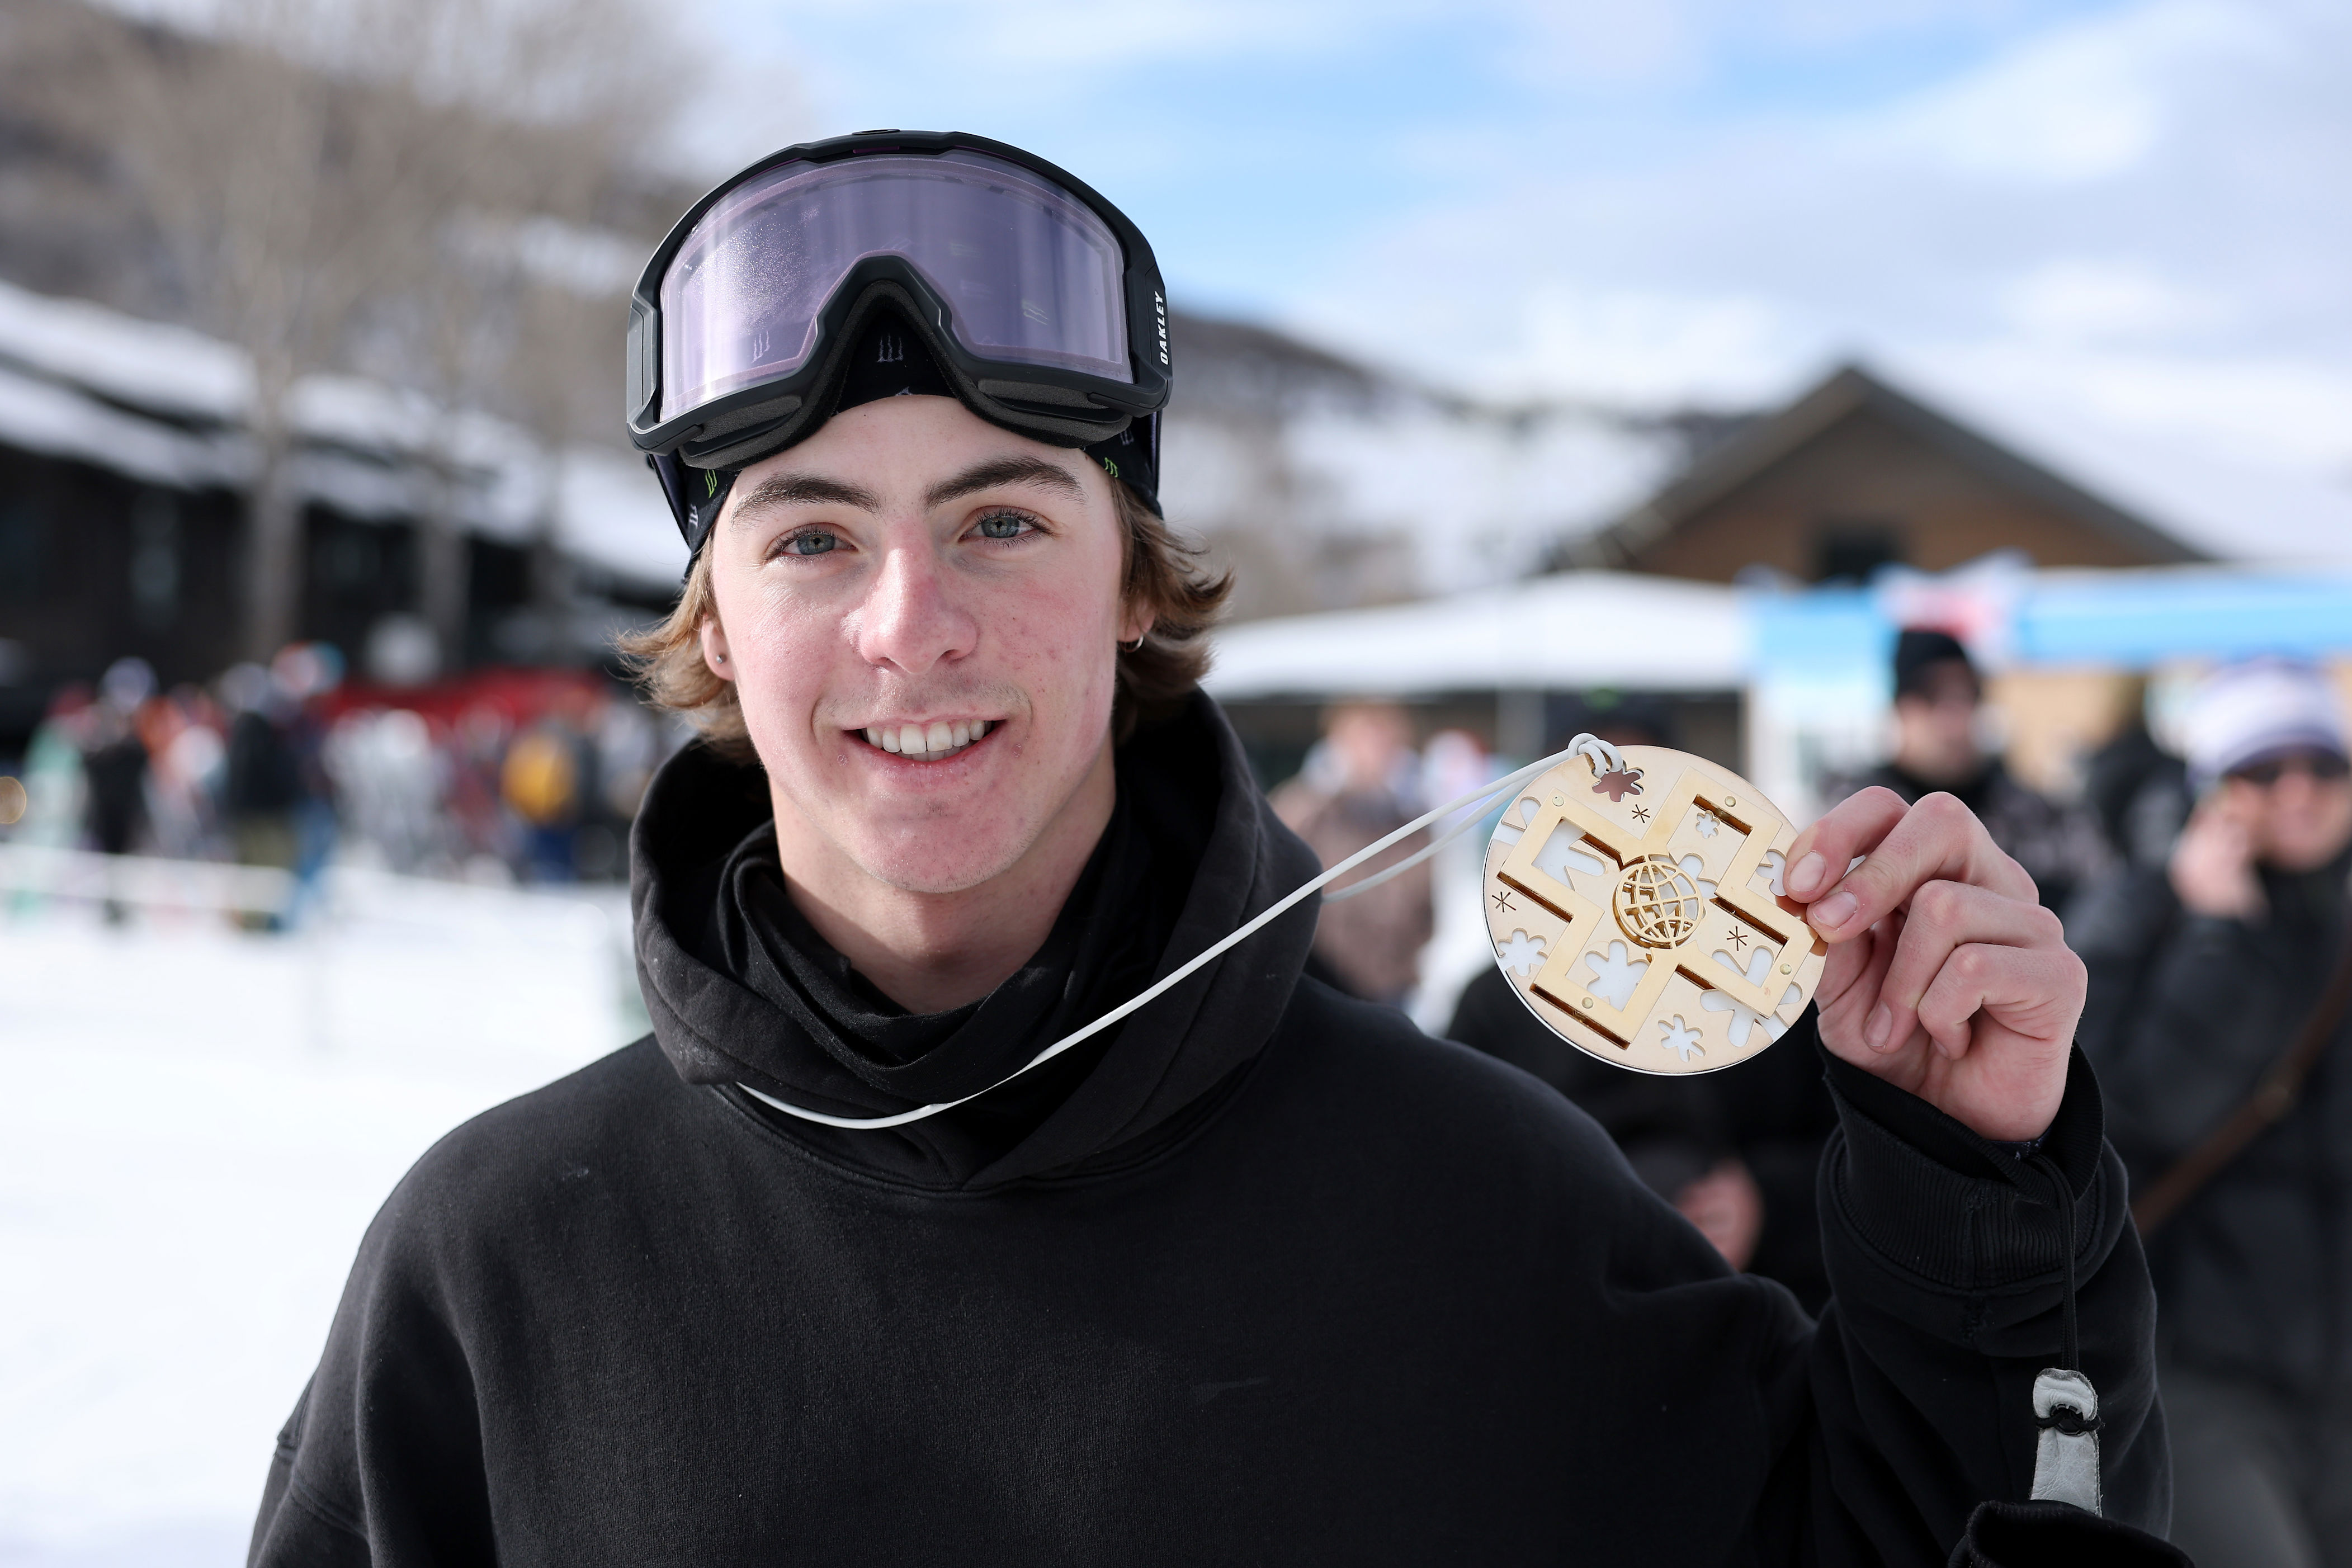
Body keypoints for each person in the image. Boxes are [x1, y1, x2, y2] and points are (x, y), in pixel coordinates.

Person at [250, 131, 2165, 1565]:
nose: (910, 622)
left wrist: (1977, 1209)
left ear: (1133, 596)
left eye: (1003, 521)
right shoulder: (500, 1267)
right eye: (812, 534)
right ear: (715, 628)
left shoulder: (1480, 1207)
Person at [2074, 658, 2352, 1566]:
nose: (2300, 791)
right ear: (2211, 791)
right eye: (2264, 769)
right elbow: (2135, 1114)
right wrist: (2219, 940)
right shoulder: (2135, 917)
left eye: (2325, 765)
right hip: (2194, 1362)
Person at [1833, 629, 2107, 915]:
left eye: (1969, 696)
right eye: (1933, 696)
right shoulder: (1859, 813)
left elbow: (2098, 898)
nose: (1955, 718)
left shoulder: (2040, 816)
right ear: (1900, 706)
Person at [1271, 700, 1433, 1006]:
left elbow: (1426, 905)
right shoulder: (1306, 809)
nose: (1373, 753)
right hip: (1316, 981)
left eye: (1384, 742)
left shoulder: (1412, 818)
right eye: (1363, 740)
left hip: (1391, 986)